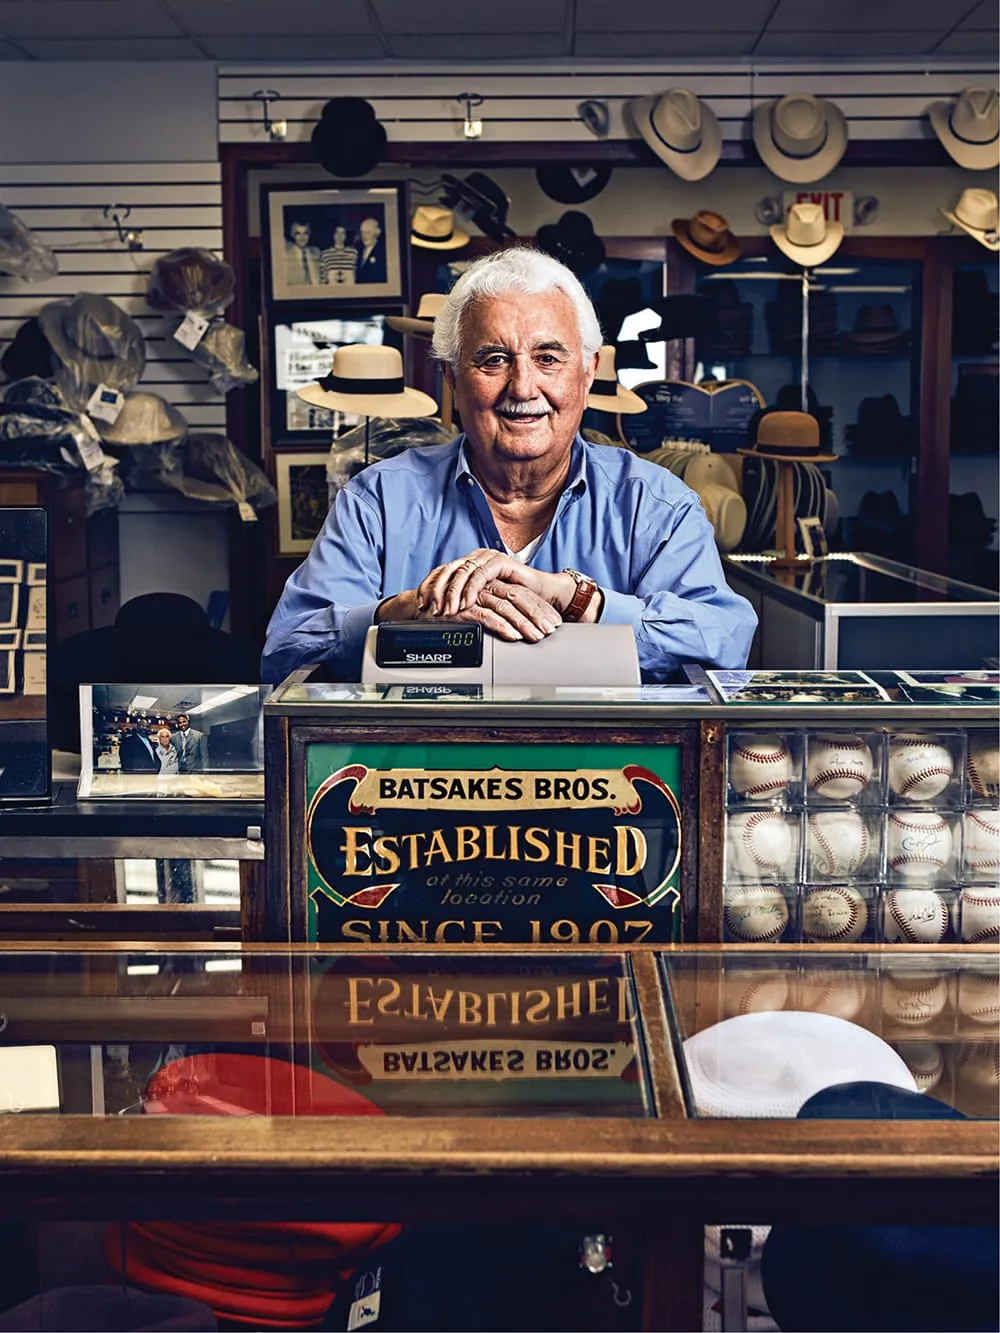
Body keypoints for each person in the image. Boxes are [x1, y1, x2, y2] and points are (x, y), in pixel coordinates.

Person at [262, 247, 756, 684]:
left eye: (548, 358)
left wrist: (577, 599)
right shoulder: (377, 500)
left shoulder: (656, 505)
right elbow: (285, 653)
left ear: (587, 374)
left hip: (606, 778)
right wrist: (405, 614)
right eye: (494, 359)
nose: (522, 388)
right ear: (451, 378)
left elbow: (725, 643)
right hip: (419, 773)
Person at [284, 220, 321, 286]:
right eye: (298, 233)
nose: (302, 237)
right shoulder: (286, 254)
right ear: (292, 235)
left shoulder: (316, 252)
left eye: (305, 233)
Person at [354, 217, 386, 283]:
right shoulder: (357, 248)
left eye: (368, 232)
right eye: (362, 232)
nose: (364, 236)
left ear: (377, 232)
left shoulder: (384, 251)